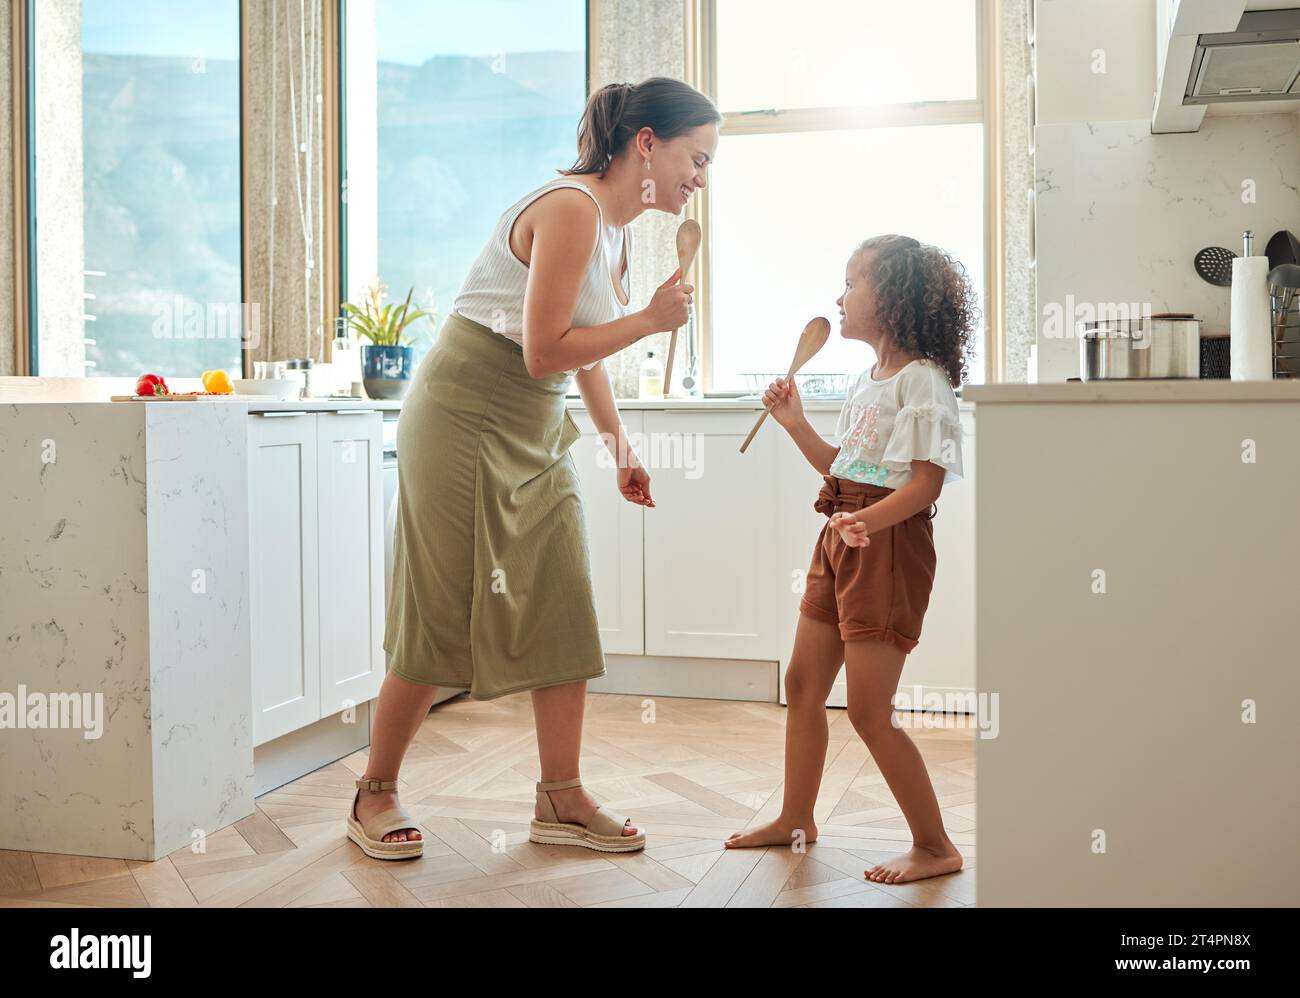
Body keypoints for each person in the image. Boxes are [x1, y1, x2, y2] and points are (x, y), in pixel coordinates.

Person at [346, 78, 721, 859]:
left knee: (561, 593)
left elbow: (579, 361)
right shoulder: (570, 209)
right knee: (442, 605)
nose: (700, 178)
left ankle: (561, 797)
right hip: (462, 412)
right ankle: (374, 791)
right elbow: (542, 348)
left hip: (534, 421)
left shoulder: (616, 233)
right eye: (696, 157)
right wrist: (649, 320)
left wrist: (620, 450)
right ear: (646, 143)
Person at [725, 234, 977, 885]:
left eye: (851, 284)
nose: (839, 297)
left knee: (868, 711)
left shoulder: (923, 381)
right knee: (803, 686)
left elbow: (922, 484)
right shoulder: (869, 381)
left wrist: (864, 521)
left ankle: (935, 846)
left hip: (886, 546)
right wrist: (794, 422)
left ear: (890, 299)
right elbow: (846, 466)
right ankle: (795, 817)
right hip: (845, 535)